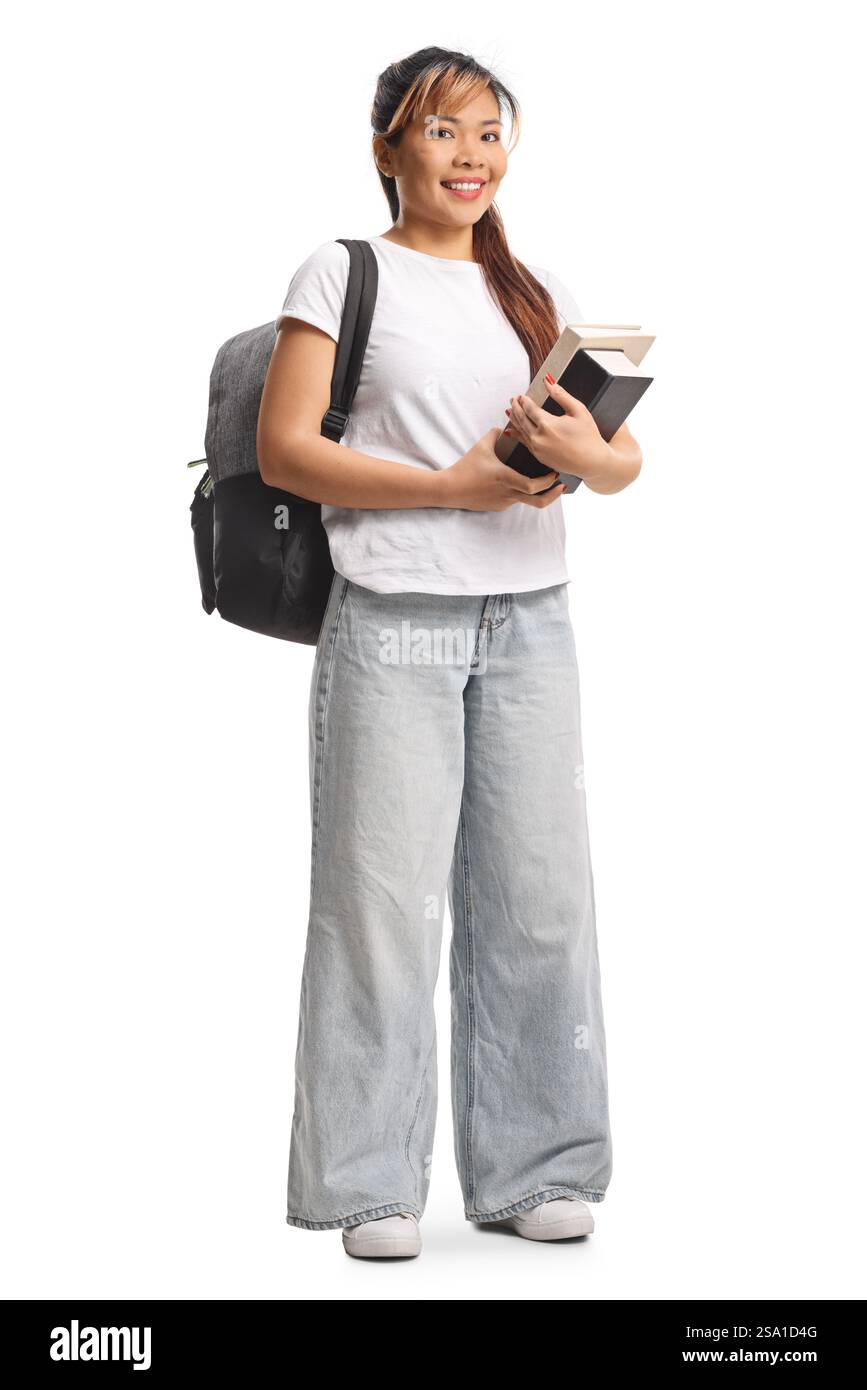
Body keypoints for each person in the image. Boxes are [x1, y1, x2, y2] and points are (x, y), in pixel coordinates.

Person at [257, 45, 642, 1260]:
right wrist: (453, 491)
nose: (470, 156)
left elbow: (619, 464)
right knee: (381, 910)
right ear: (389, 149)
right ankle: (367, 1185)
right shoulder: (342, 271)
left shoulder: (533, 289)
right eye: (441, 132)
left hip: (532, 623)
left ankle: (535, 1166)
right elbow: (285, 453)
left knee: (539, 904)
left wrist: (581, 455)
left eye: (488, 133)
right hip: (394, 619)